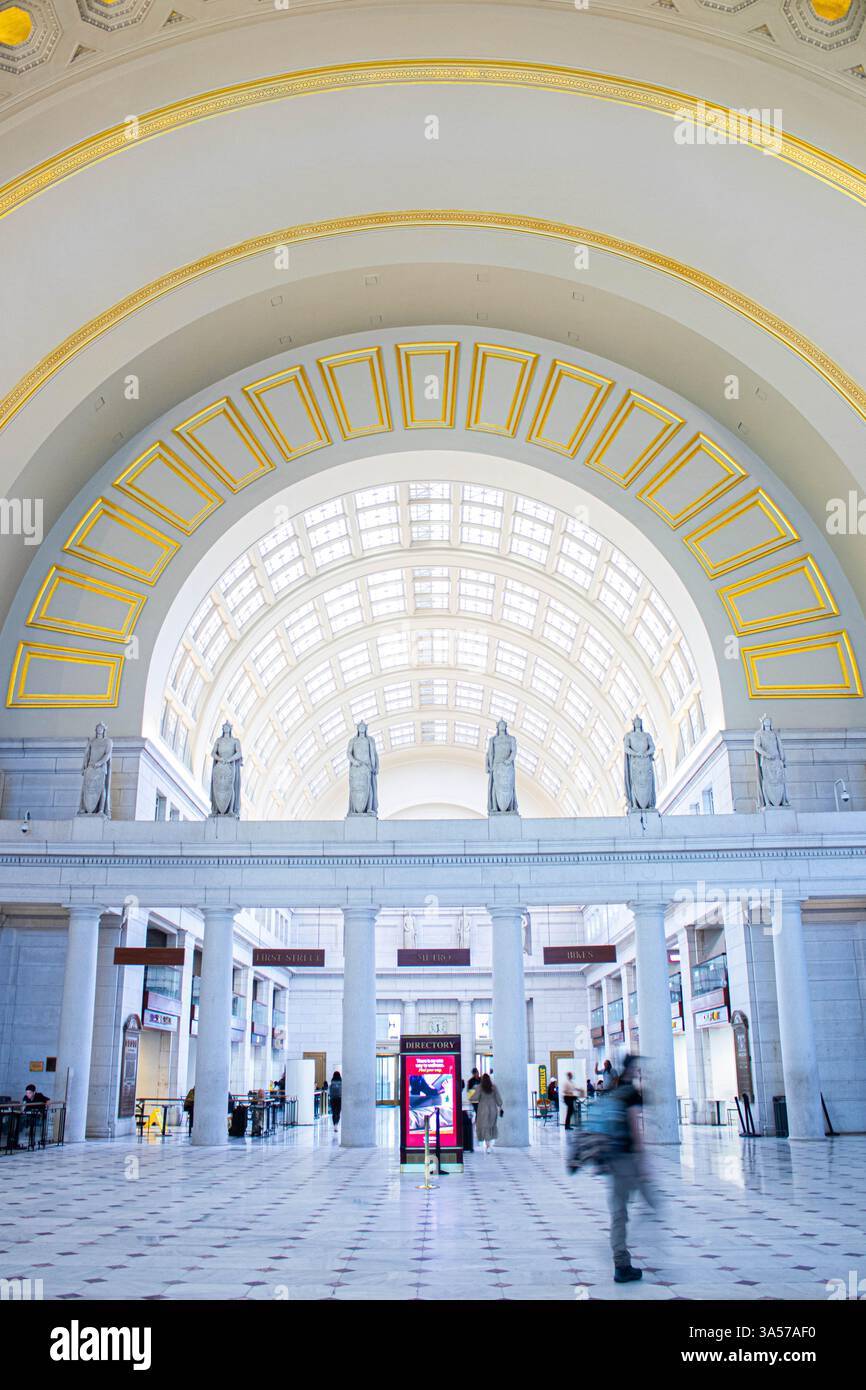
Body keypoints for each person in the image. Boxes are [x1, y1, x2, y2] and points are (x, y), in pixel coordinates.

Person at [600, 1054, 658, 1283]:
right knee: (627, 1211)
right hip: (627, 1160)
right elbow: (635, 1127)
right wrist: (643, 1159)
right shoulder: (631, 1094)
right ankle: (622, 1262)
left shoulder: (612, 1089)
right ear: (632, 1069)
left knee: (619, 1210)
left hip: (614, 1159)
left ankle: (621, 1257)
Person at [474, 1073, 503, 1153]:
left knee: (484, 1126)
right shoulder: (494, 1087)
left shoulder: (480, 1087)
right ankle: (489, 1144)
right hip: (493, 1109)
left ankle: (487, 1145)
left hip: (483, 1109)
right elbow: (498, 1099)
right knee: (491, 1126)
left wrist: (471, 1097)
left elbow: (475, 1097)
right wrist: (500, 1106)